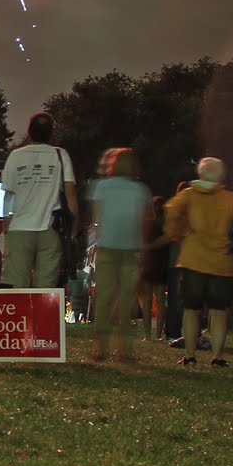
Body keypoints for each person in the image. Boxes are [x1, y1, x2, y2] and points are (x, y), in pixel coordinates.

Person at [163, 158, 233, 369]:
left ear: (201, 173)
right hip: (221, 263)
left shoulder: (188, 196)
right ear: (221, 175)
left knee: (191, 309)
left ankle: (190, 355)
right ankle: (218, 356)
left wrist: (178, 233)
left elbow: (172, 213)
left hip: (193, 259)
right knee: (219, 311)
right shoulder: (230, 199)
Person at [86, 148, 151, 362]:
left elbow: (97, 218)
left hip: (107, 246)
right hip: (131, 248)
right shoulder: (140, 190)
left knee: (104, 298)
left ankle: (99, 347)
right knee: (126, 301)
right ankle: (124, 349)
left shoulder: (101, 187)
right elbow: (144, 220)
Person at [0, 112, 77, 288]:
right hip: (50, 230)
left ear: (29, 132)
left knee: (18, 285)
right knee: (46, 286)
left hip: (19, 229)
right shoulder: (60, 155)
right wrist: (72, 229)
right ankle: (41, 316)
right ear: (51, 133)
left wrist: (7, 226)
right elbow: (71, 194)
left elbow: (9, 195)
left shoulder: (15, 156)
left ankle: (21, 315)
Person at [138, 197, 171, 341]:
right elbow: (168, 239)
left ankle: (147, 335)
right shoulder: (165, 224)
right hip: (161, 262)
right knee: (160, 300)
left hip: (147, 262)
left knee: (147, 301)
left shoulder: (146, 223)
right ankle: (158, 334)